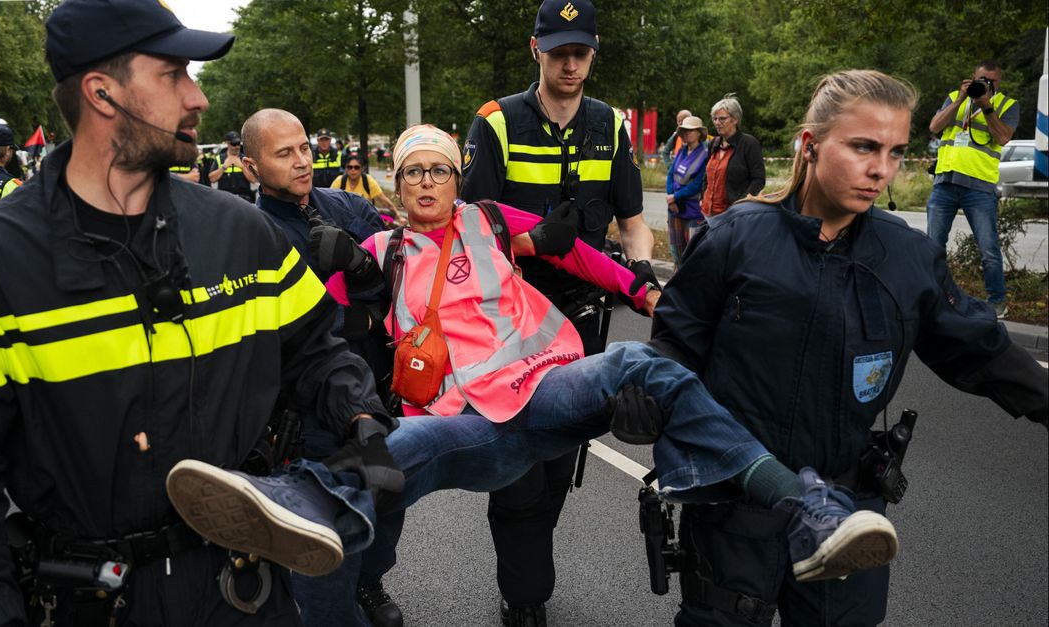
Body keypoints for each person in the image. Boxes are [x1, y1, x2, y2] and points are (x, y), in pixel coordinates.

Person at [166, 124, 908, 627]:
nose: (427, 180)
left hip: (547, 388)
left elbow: (574, 253)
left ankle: (801, 503)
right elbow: (302, 333)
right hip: (458, 424)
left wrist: (646, 291)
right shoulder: (382, 250)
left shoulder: (489, 219)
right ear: (396, 183)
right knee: (356, 495)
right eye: (414, 170)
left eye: (439, 168)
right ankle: (304, 520)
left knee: (644, 366)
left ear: (457, 178)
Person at [0, 2, 398, 625]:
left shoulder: (241, 232)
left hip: (247, 595)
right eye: (174, 74)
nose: (198, 97)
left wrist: (360, 415)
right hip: (93, 604)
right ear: (102, 93)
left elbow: (317, 349)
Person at [651, 69, 1048, 627]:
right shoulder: (735, 237)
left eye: (895, 151)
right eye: (864, 146)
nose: (881, 169)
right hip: (737, 507)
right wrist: (648, 399)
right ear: (810, 146)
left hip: (848, 513)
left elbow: (982, 351)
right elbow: (674, 342)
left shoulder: (908, 258)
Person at [459, 1, 659, 622]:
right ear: (535, 49)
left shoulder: (609, 125)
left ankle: (528, 570)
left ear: (593, 52)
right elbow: (466, 230)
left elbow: (632, 222)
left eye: (581, 52)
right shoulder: (495, 123)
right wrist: (535, 242)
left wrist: (642, 266)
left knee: (555, 462)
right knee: (518, 466)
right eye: (559, 52)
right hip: (512, 319)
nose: (571, 64)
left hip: (583, 317)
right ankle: (525, 598)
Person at [239, 107, 402, 627]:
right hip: (299, 407)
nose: (302, 161)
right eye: (284, 153)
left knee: (386, 500)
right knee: (318, 521)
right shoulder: (246, 231)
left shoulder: (349, 206)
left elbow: (402, 273)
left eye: (305, 148)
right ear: (250, 167)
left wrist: (359, 263)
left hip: (374, 385)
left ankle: (370, 582)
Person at [925, 59, 1018, 318]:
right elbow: (934, 126)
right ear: (972, 78)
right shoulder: (955, 97)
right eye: (981, 80)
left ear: (998, 82)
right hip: (945, 181)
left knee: (988, 247)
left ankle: (997, 301)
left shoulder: (1007, 105)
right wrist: (960, 100)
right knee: (933, 246)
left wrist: (986, 105)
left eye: (991, 81)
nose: (985, 84)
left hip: (979, 187)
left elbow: (1003, 137)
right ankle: (934, 296)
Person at [700, 93, 765, 219]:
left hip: (733, 215)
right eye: (715, 119)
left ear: (735, 119)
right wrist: (702, 197)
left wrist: (739, 206)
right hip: (707, 213)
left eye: (722, 119)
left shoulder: (749, 143)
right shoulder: (713, 143)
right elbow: (706, 176)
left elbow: (759, 180)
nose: (717, 123)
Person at [664, 115, 709, 267]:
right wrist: (671, 197)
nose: (686, 134)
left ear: (699, 133)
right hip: (674, 210)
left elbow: (697, 184)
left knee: (692, 253)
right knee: (676, 252)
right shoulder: (682, 151)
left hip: (692, 210)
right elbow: (671, 174)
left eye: (690, 131)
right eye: (684, 131)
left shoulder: (705, 153)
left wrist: (675, 197)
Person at [331, 153, 399, 217]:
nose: (353, 170)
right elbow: (329, 200)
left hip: (366, 218)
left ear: (361, 169)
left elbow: (384, 200)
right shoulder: (339, 181)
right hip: (344, 218)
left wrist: (398, 216)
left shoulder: (368, 180)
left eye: (356, 167)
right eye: (350, 167)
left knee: (388, 218)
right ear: (346, 169)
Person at [209, 131, 257, 202]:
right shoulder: (219, 158)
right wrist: (224, 167)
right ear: (227, 144)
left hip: (244, 199)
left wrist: (242, 167)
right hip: (225, 199)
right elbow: (212, 179)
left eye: (238, 144)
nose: (237, 147)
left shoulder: (245, 158)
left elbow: (253, 179)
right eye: (233, 144)